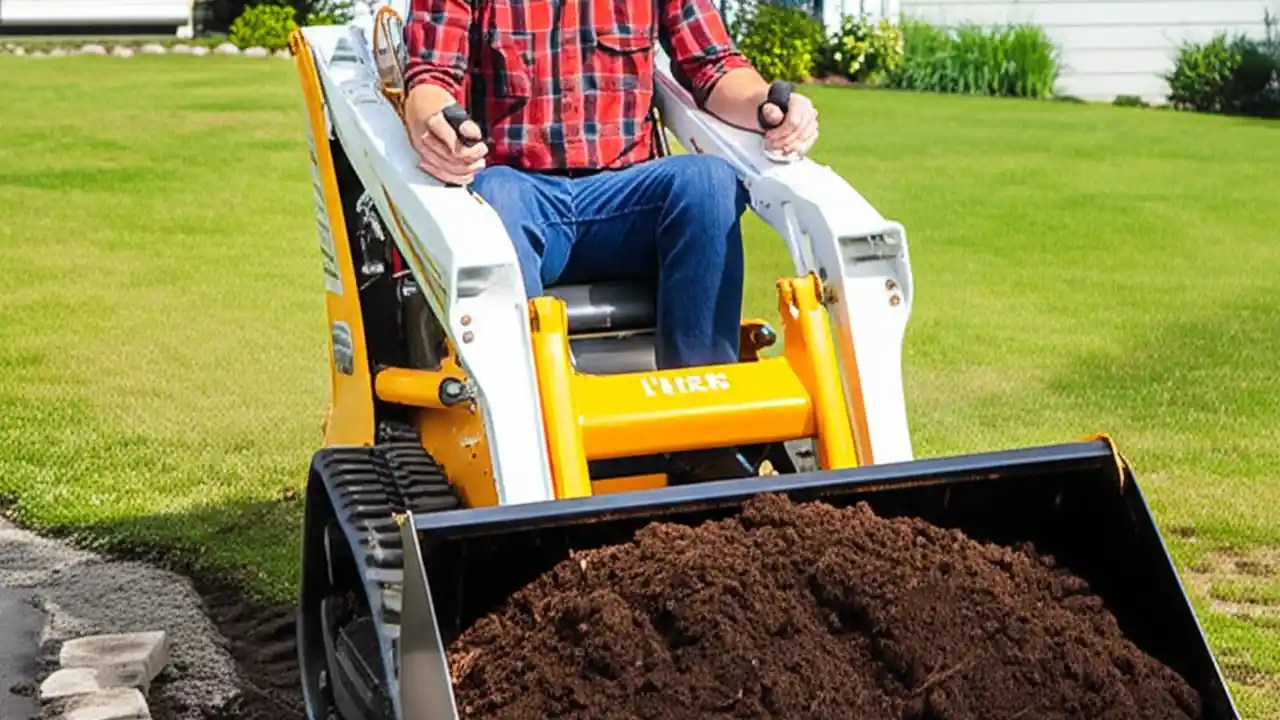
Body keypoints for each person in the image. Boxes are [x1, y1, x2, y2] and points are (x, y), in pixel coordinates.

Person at [400, 0, 819, 370]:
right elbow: (432, 79)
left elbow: (714, 66)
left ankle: (705, 429)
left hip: (628, 199)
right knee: (494, 197)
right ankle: (524, 416)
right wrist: (436, 125)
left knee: (708, 182)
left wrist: (767, 105)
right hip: (521, 195)